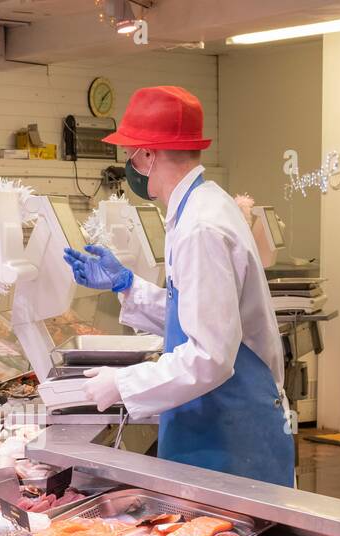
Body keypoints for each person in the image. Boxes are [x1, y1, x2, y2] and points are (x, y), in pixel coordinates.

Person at [62, 86, 294, 485]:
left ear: (149, 155)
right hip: (219, 416)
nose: (129, 164)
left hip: (230, 434)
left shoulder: (199, 228)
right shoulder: (202, 205)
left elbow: (210, 356)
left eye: (131, 152)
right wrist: (127, 285)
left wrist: (123, 383)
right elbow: (196, 316)